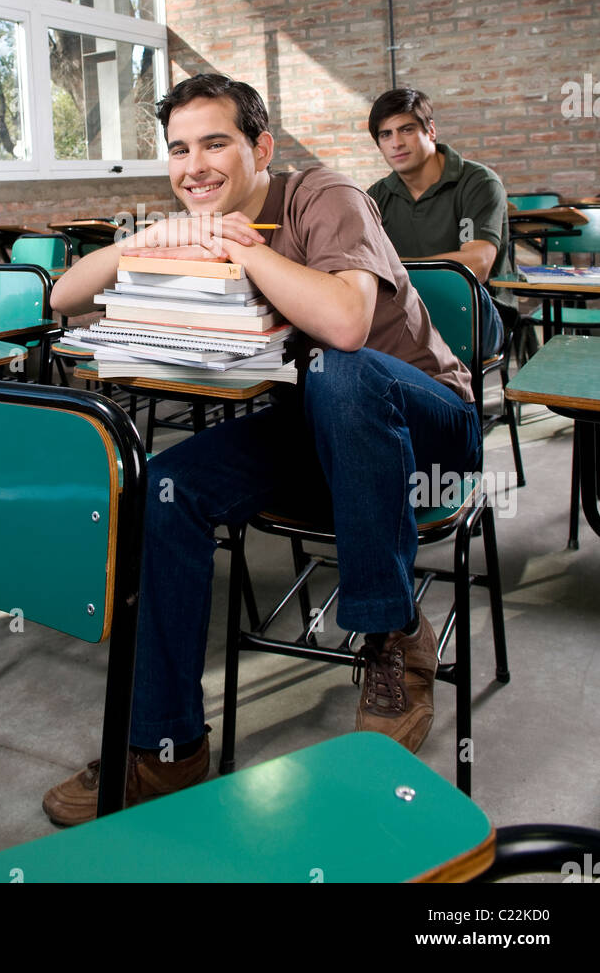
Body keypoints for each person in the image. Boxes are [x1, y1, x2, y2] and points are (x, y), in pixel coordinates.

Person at [43, 73, 481, 827]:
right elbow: (63, 297)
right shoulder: (194, 218)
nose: (194, 166)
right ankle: (165, 747)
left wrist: (244, 253)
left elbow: (345, 326)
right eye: (178, 150)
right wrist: (153, 237)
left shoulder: (323, 195)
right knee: (166, 489)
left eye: (215, 142)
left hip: (427, 421)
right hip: (318, 429)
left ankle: (390, 636)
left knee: (339, 369)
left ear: (261, 148)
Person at [367, 88, 512, 361]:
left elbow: (477, 266)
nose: (396, 143)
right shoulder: (376, 196)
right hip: (409, 311)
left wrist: (397, 268)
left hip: (476, 312)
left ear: (430, 130)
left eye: (406, 129)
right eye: (386, 135)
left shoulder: (479, 182)